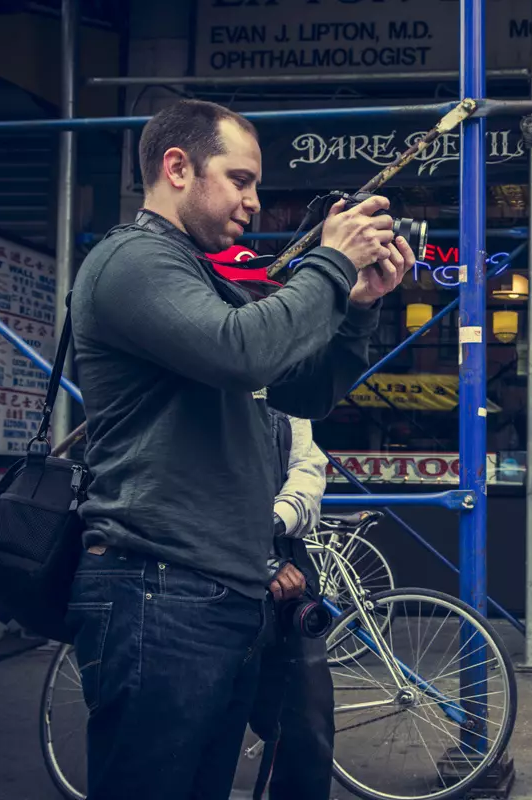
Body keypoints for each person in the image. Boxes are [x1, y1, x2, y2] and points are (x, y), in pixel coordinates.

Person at [66, 98, 413, 800]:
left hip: (218, 589)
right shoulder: (134, 262)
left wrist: (359, 305)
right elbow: (244, 352)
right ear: (177, 168)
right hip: (157, 587)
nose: (255, 202)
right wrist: (330, 262)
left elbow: (301, 393)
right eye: (241, 179)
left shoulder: (199, 274)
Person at [208, 244, 337, 800]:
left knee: (305, 728)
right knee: (206, 727)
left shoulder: (286, 387)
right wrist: (255, 556)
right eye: (249, 293)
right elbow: (197, 486)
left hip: (286, 567)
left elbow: (310, 468)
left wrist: (272, 531)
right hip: (209, 570)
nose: (262, 302)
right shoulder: (205, 374)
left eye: (267, 292)